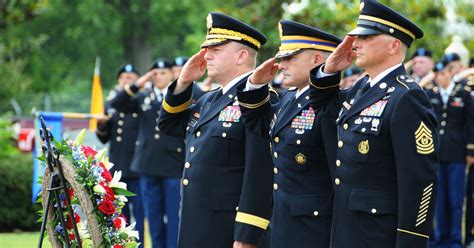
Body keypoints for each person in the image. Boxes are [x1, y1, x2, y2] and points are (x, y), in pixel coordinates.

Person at [308, 1, 439, 247]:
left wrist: (411, 240)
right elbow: (324, 109)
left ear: (393, 45)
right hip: (347, 227)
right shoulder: (360, 88)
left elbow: (420, 179)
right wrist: (329, 70)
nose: (355, 43)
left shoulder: (407, 96)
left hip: (379, 233)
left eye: (366, 37)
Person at [158, 12, 273, 248]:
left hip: (228, 228)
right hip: (198, 222)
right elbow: (168, 125)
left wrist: (247, 234)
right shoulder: (210, 99)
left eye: (216, 50)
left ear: (241, 56)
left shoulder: (259, 102)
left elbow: (259, 171)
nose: (206, 55)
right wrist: (183, 82)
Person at [236, 20, 342, 247]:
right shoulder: (287, 99)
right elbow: (258, 125)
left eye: (290, 58)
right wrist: (254, 85)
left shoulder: (331, 103)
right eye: (281, 58)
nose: (281, 65)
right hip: (284, 223)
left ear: (316, 60)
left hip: (315, 229)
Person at [110, 59, 186, 248]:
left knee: (174, 215)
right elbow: (117, 102)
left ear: (171, 74)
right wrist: (138, 83)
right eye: (155, 73)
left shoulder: (179, 94)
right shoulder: (143, 97)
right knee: (153, 216)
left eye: (163, 73)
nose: (159, 77)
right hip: (147, 164)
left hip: (173, 164)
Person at [424, 58, 474, 248]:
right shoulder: (430, 93)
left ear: (450, 73)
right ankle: (438, 238)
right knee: (438, 199)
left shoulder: (462, 93)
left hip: (457, 154)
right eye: (436, 74)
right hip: (436, 153)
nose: (439, 78)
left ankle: (455, 239)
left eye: (442, 74)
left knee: (456, 198)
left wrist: (470, 150)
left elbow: (470, 123)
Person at [96, 64, 145, 247]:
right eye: (123, 78)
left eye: (131, 78)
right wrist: (101, 126)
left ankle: (139, 244)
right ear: (119, 80)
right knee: (119, 215)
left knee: (139, 214)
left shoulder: (141, 100)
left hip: (137, 166)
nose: (126, 81)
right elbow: (104, 137)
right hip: (117, 167)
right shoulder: (110, 103)